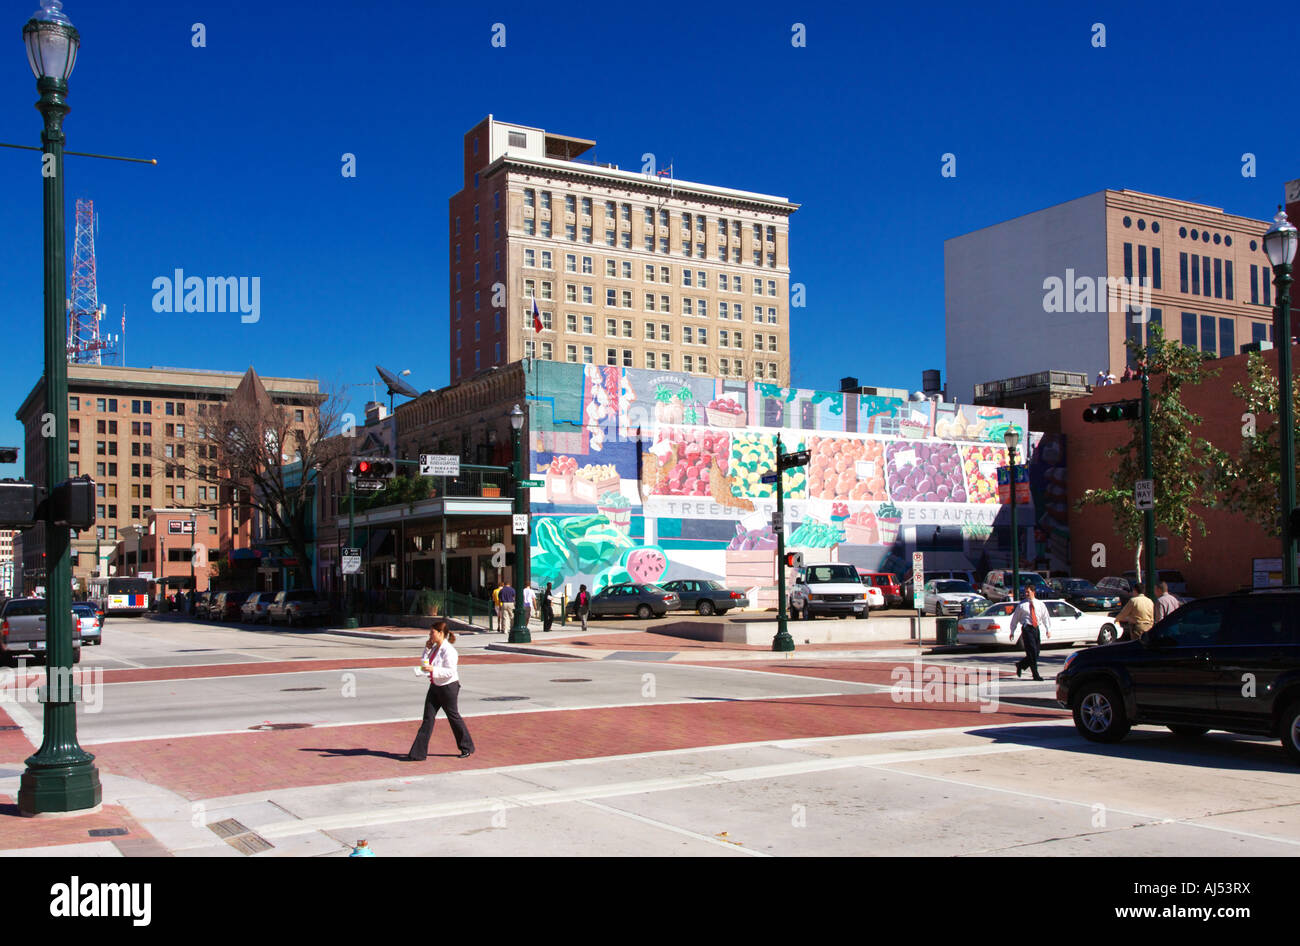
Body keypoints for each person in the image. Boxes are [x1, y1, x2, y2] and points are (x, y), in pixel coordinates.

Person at [404, 620, 475, 760]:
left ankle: (466, 747)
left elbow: (450, 671)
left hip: (448, 687)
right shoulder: (435, 648)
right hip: (435, 686)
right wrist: (427, 649)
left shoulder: (449, 651)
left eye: (432, 632)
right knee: (428, 719)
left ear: (441, 633)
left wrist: (433, 669)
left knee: (453, 717)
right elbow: (425, 663)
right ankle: (418, 754)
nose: (430, 635)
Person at [1009, 585, 1051, 680]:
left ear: (1033, 592)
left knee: (1036, 652)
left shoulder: (1040, 604)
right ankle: (1035, 675)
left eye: (1028, 592)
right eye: (1025, 592)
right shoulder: (1022, 605)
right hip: (1027, 629)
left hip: (1036, 629)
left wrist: (1048, 630)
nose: (1026, 594)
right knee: (1032, 651)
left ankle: (1020, 665)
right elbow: (1015, 619)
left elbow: (1045, 617)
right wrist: (1012, 631)